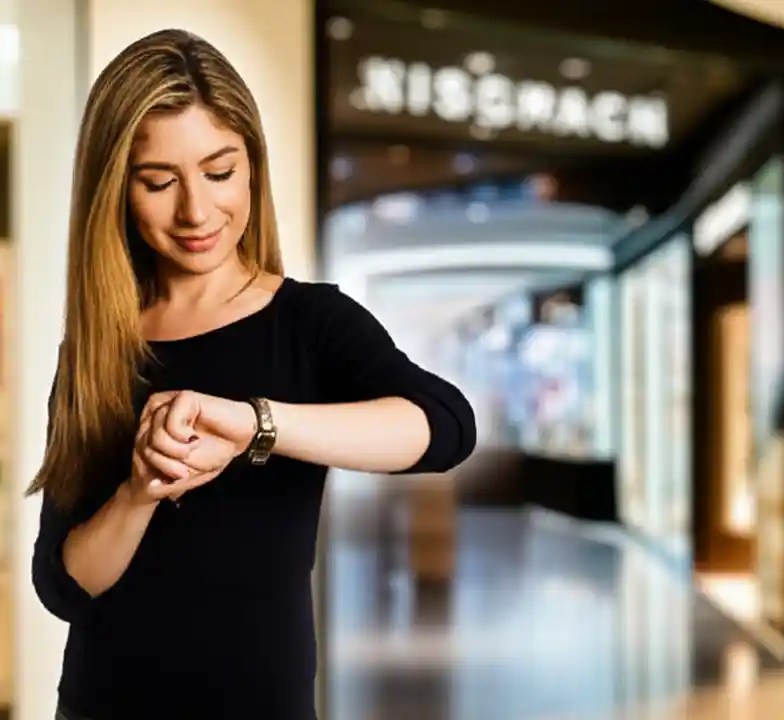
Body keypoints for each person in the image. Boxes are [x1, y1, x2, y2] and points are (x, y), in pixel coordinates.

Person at [26, 29, 476, 720]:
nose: (196, 212)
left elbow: (446, 426)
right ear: (115, 188)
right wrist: (141, 490)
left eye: (219, 170)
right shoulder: (95, 349)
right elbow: (65, 588)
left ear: (253, 167)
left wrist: (255, 423)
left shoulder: (309, 323)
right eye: (158, 182)